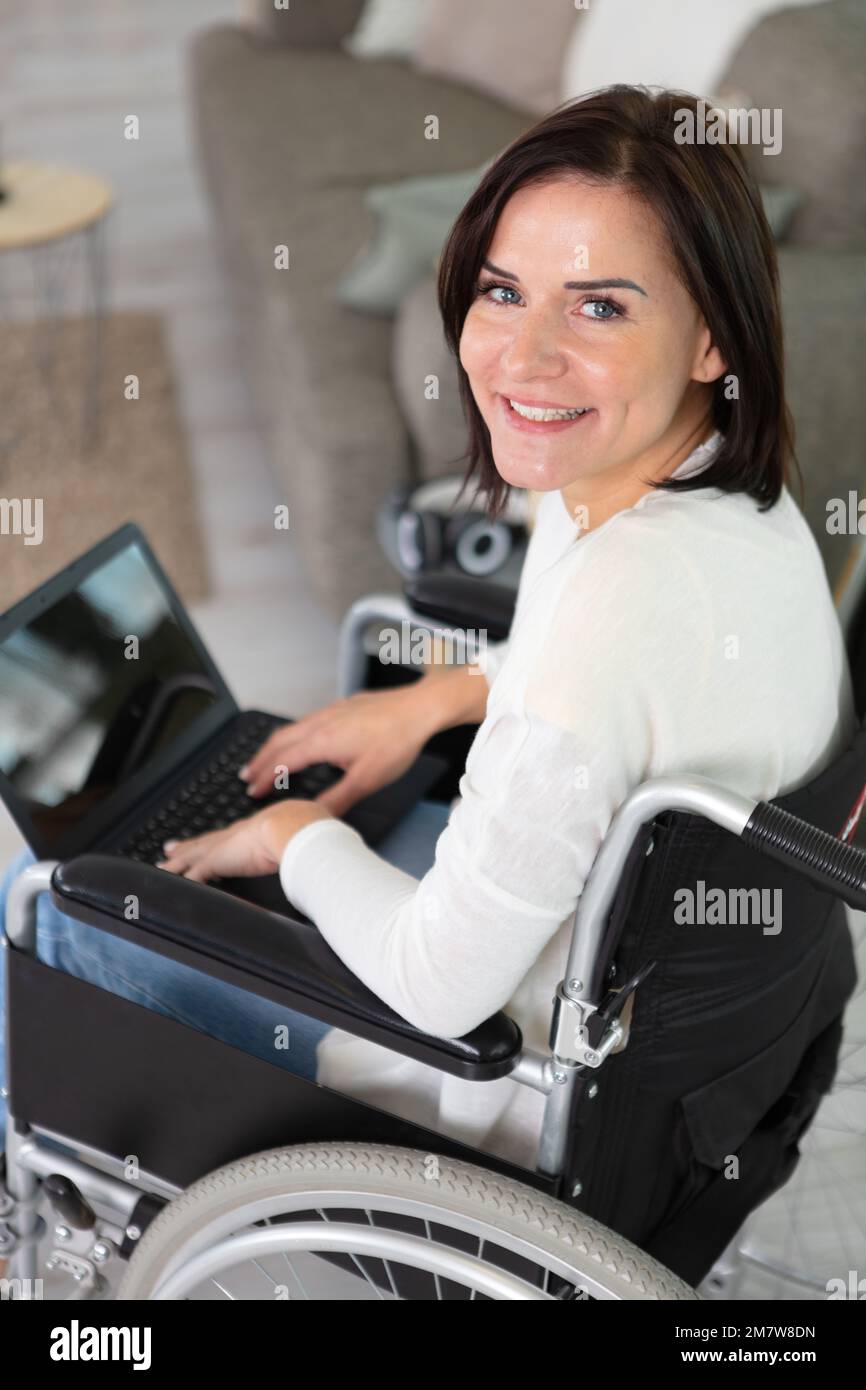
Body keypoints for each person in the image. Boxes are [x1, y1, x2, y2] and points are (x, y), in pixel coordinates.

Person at [1, 87, 857, 1202]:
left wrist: (300, 839)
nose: (522, 355)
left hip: (466, 1084)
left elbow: (435, 990)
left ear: (710, 338)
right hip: (695, 1054)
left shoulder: (602, 629)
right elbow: (620, 682)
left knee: (54, 894)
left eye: (598, 308)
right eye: (503, 290)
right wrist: (439, 697)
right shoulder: (737, 506)